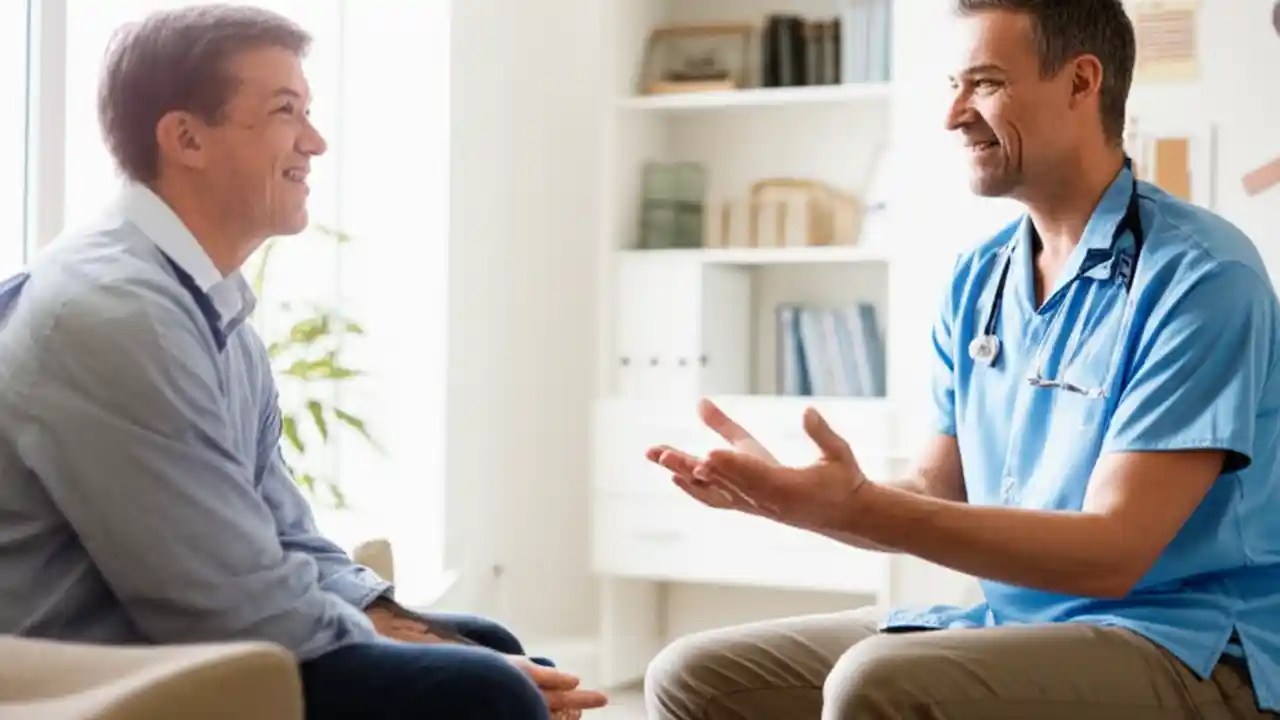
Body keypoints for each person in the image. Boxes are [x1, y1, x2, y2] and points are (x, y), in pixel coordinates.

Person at [644, 1, 1280, 719]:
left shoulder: (1200, 277)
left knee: (877, 683)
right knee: (692, 675)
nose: (953, 114)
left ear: (1081, 82)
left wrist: (858, 508)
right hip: (1017, 625)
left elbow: (1114, 552)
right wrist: (795, 499)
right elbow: (935, 489)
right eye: (955, 82)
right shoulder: (981, 279)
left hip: (1189, 647)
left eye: (984, 83)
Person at [0, 5, 606, 720]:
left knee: (489, 648)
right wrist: (426, 653)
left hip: (183, 636)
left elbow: (281, 535)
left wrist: (418, 635)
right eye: (287, 112)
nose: (315, 142)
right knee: (488, 688)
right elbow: (227, 601)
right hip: (86, 675)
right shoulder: (115, 314)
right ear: (186, 137)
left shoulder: (206, 306)